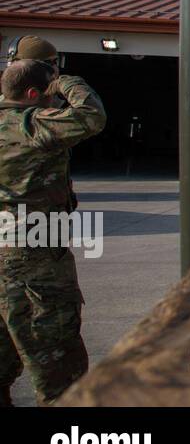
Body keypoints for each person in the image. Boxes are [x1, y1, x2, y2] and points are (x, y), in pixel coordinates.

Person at [0, 59, 106, 406]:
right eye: (48, 95)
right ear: (33, 94)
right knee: (63, 378)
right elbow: (91, 116)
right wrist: (65, 81)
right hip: (34, 263)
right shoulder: (30, 125)